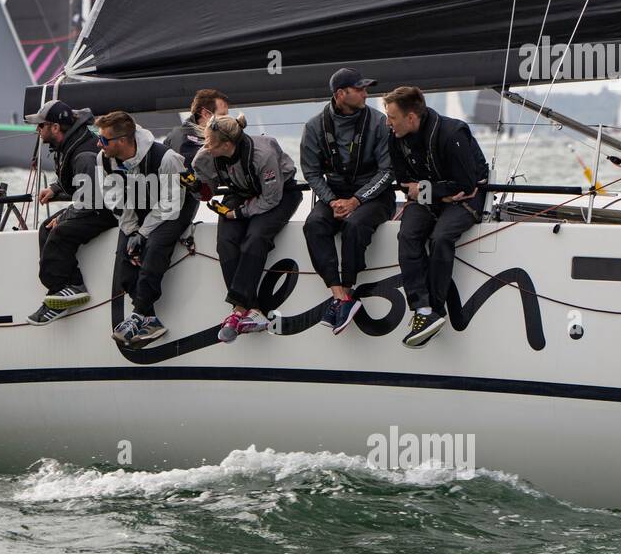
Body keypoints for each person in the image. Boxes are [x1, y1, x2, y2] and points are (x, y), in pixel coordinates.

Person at [384, 85, 489, 348]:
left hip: (465, 196)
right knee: (407, 235)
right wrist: (437, 194)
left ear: (411, 117)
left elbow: (466, 185)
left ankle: (437, 309)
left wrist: (429, 191)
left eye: (392, 117)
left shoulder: (452, 132)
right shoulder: (395, 137)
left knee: (441, 237)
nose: (388, 123)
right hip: (432, 196)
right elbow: (404, 182)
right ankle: (422, 310)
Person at [300, 68, 395, 334]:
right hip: (336, 195)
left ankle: (349, 288)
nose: (366, 93)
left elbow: (387, 171)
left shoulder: (378, 122)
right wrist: (332, 201)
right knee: (314, 225)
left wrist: (356, 200)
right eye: (360, 89)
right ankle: (340, 296)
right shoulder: (314, 126)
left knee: (355, 226)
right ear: (341, 94)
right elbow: (311, 172)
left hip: (374, 195)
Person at [191, 115, 300, 342]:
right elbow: (206, 191)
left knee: (255, 237)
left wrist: (238, 214)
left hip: (279, 195)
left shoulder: (263, 154)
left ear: (227, 145)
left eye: (210, 143)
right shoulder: (207, 156)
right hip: (240, 192)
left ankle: (239, 310)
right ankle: (252, 310)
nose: (206, 147)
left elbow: (271, 198)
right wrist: (195, 186)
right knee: (226, 243)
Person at [97, 111, 198, 346]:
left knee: (153, 249)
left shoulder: (166, 158)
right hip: (141, 208)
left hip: (175, 207)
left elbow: (170, 205)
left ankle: (139, 314)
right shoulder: (104, 158)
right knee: (125, 263)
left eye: (103, 139)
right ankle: (150, 319)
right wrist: (132, 232)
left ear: (122, 140)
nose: (98, 144)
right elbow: (116, 200)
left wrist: (142, 235)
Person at [26, 100, 117, 324]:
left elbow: (91, 200)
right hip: (95, 203)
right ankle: (64, 288)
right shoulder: (70, 143)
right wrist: (56, 188)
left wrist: (64, 218)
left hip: (108, 209)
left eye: (41, 125)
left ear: (55, 127)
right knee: (47, 228)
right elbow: (81, 183)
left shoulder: (83, 154)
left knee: (58, 232)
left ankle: (70, 287)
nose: (37, 130)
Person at [164, 88, 230, 166]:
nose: (228, 120)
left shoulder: (205, 135)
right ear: (206, 114)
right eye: (223, 115)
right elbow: (197, 173)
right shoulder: (185, 140)